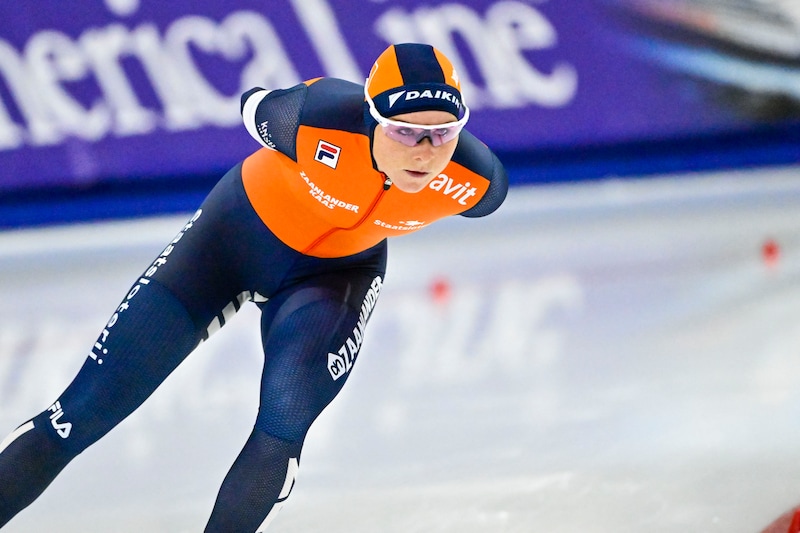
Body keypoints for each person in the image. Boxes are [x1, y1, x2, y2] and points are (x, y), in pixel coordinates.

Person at [0, 43, 508, 532]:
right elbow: (252, 104)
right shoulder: (313, 117)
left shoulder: (476, 180)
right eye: (403, 131)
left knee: (282, 428)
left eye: (442, 135)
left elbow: (484, 187)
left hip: (335, 277)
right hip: (229, 242)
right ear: (371, 116)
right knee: (81, 413)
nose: (423, 153)